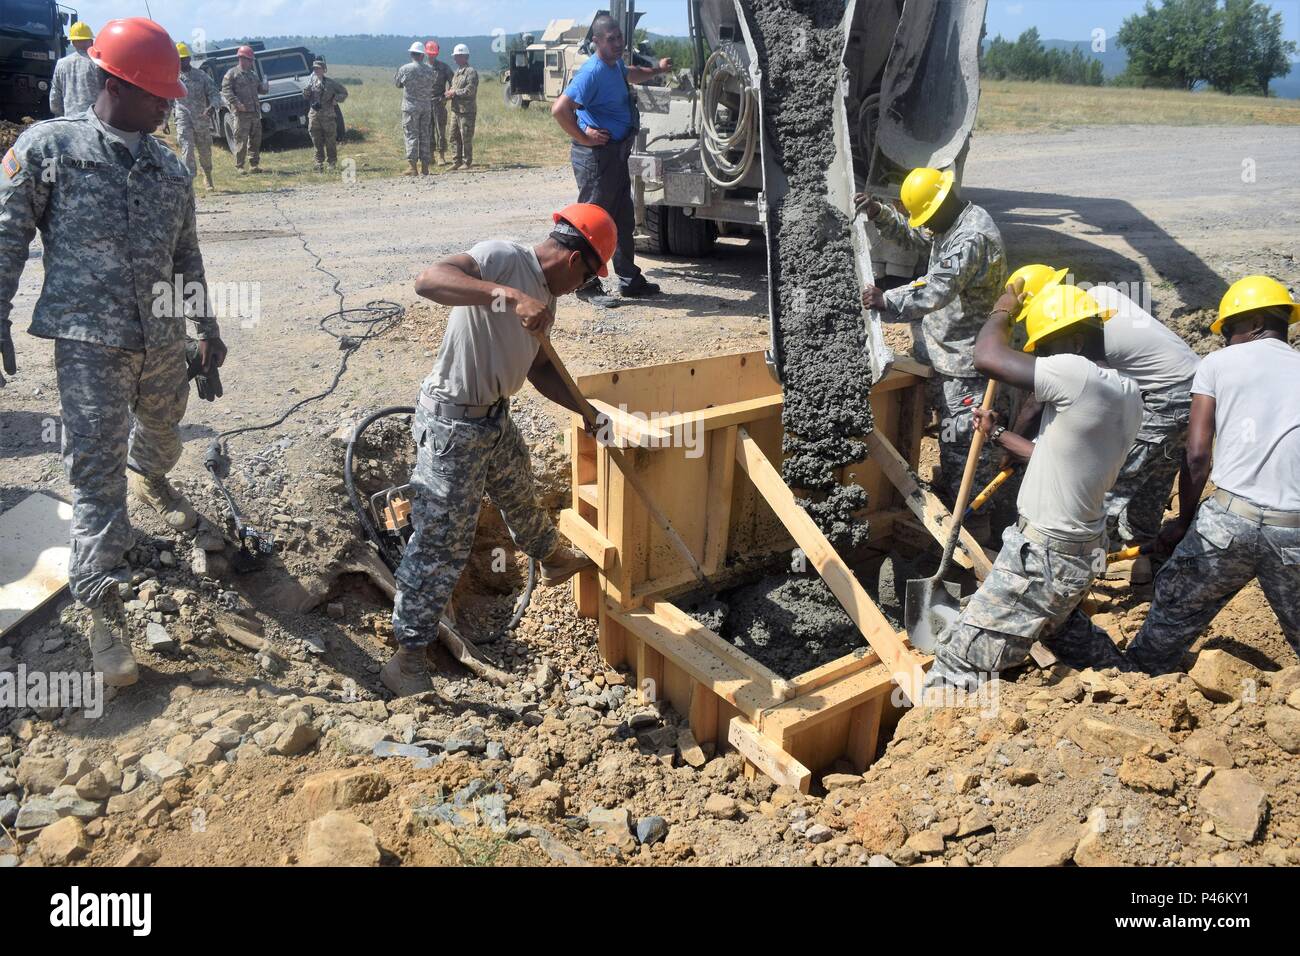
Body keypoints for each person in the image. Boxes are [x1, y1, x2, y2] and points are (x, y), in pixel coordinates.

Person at [0, 18, 224, 687]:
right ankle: (103, 615)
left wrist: (206, 330)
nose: (166, 107)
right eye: (157, 96)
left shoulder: (168, 167)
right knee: (95, 481)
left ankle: (151, 475)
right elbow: (7, 234)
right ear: (112, 83)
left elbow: (187, 256)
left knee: (162, 436)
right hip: (87, 347)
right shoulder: (50, 148)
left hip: (161, 343)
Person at [383, 203, 620, 696]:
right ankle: (405, 658)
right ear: (575, 262)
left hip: (493, 418)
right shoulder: (500, 259)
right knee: (441, 545)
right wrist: (507, 296)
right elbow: (428, 281)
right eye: (588, 278)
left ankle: (551, 557)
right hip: (452, 426)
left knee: (519, 487)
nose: (582, 289)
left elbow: (539, 369)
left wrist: (584, 409)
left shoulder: (546, 304)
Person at [922, 282, 1142, 692]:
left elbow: (986, 356)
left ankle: (933, 748)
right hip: (1084, 546)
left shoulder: (1076, 374)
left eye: (1045, 351)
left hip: (1042, 555)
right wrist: (1000, 433)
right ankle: (1132, 686)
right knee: (1057, 625)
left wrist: (1003, 308)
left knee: (957, 659)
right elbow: (1057, 455)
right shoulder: (1127, 390)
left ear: (1074, 341)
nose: (1041, 360)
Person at [1126, 276, 1300, 674]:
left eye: (1228, 332)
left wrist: (1184, 523)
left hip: (1229, 524)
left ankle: (1138, 681)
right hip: (1294, 531)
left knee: (1172, 610)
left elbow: (1198, 454)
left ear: (1253, 322)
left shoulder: (1217, 364)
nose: (1224, 342)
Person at [1002, 264, 1200, 580]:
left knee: (1103, 482)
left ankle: (1081, 571)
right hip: (1193, 393)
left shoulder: (1076, 331)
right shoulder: (1100, 299)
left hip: (1163, 399)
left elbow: (1042, 401)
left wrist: (1013, 443)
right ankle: (1138, 560)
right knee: (1155, 476)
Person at [857, 168, 1014, 541]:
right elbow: (917, 237)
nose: (927, 225)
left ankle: (973, 527)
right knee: (936, 426)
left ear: (941, 204)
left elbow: (938, 289)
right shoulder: (951, 221)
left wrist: (887, 299)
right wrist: (882, 214)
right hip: (940, 349)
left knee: (963, 445)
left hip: (966, 361)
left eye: (928, 217)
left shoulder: (971, 237)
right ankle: (944, 496)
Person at [551, 14, 671, 301]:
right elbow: (559, 110)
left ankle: (629, 280)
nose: (619, 43)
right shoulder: (592, 72)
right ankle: (585, 285)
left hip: (615, 156)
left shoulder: (614, 64)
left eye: (620, 37)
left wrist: (655, 70)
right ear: (596, 41)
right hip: (596, 159)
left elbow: (630, 72)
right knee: (590, 223)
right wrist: (584, 137)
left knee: (621, 221)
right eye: (611, 39)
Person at [173, 42, 219, 189]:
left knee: (205, 150)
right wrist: (163, 120)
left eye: (184, 58)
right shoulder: (173, 78)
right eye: (179, 59)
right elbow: (167, 100)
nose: (182, 61)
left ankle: (208, 176)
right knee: (187, 149)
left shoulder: (201, 76)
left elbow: (214, 93)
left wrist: (212, 106)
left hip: (201, 118)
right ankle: (189, 183)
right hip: (183, 118)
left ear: (189, 58)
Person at [221, 45, 268, 174]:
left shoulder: (252, 75)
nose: (251, 62)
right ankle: (240, 166)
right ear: (242, 59)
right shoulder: (232, 74)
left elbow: (261, 90)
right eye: (249, 59)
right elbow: (226, 90)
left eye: (251, 60)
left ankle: (254, 165)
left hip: (254, 113)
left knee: (255, 139)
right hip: (241, 114)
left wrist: (265, 83)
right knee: (241, 140)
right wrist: (237, 103)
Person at [395, 42, 433, 176]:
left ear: (411, 54)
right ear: (423, 55)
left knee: (411, 135)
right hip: (426, 107)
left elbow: (398, 84)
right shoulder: (430, 69)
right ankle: (425, 167)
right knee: (425, 135)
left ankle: (412, 167)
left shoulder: (405, 69)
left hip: (410, 107)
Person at [304, 58, 348, 173]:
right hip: (314, 116)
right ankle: (319, 163)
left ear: (324, 70)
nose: (316, 70)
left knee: (330, 140)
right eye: (315, 69)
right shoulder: (311, 82)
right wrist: (306, 91)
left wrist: (336, 99)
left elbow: (344, 92)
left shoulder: (331, 83)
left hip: (328, 116)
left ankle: (332, 163)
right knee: (316, 140)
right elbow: (305, 96)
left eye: (319, 68)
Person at [49, 20, 101, 117]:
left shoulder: (61, 64)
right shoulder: (98, 64)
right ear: (91, 41)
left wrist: (64, 115)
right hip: (95, 123)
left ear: (72, 42)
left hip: (71, 123)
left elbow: (54, 103)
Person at [446, 44, 478, 171]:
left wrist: (454, 93)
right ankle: (456, 161)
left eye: (458, 56)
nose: (455, 59)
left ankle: (467, 161)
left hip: (467, 111)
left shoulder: (471, 72)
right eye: (455, 56)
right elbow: (454, 88)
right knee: (453, 136)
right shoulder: (457, 73)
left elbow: (470, 90)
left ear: (465, 57)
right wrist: (448, 93)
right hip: (456, 110)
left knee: (466, 137)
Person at [425, 41, 454, 166]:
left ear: (437, 53)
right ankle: (430, 155)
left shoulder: (444, 67)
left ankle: (441, 156)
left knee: (440, 130)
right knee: (427, 130)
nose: (432, 56)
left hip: (439, 102)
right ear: (426, 53)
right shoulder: (422, 68)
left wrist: (446, 96)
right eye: (429, 54)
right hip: (424, 103)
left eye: (434, 54)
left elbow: (454, 82)